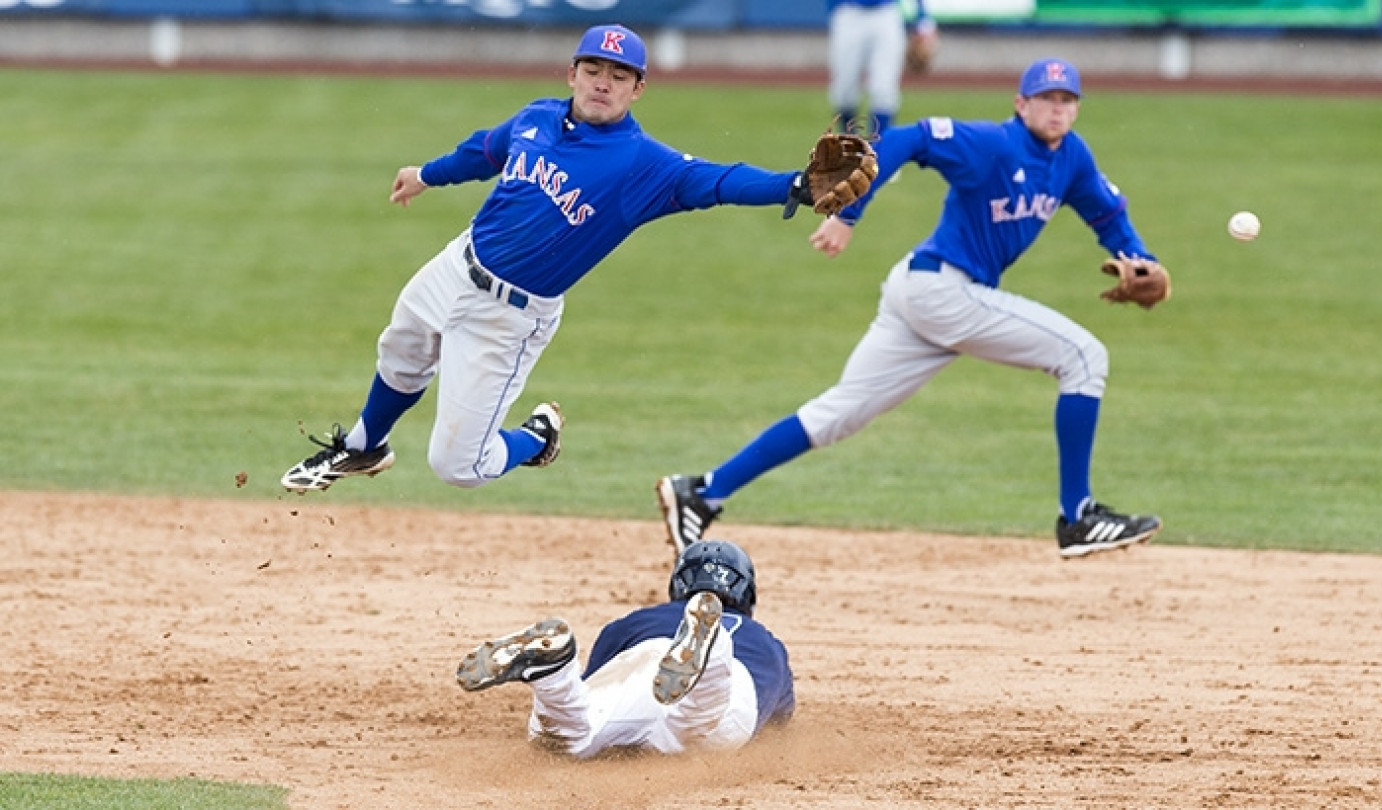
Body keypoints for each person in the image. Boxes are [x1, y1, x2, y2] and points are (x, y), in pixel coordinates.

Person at [659, 59, 1166, 559]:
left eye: (1066, 100)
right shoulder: (992, 145)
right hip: (939, 291)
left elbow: (1107, 212)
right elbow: (909, 139)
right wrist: (848, 212)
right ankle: (1078, 517)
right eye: (1046, 99)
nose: (1057, 109)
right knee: (1084, 357)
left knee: (836, 416)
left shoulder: (1071, 157)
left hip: (930, 297)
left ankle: (701, 493)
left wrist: (1142, 259)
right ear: (1021, 104)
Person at [281, 24, 814, 493]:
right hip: (456, 264)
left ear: (639, 89)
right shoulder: (535, 117)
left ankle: (536, 438)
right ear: (572, 74)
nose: (603, 82)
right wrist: (427, 174)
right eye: (593, 68)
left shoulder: (645, 166)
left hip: (508, 318)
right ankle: (363, 445)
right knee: (401, 348)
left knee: (457, 467)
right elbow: (483, 151)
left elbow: (721, 180)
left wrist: (794, 185)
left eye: (620, 75)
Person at [455, 540, 795, 758]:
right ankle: (713, 648)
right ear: (746, 591)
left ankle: (554, 673)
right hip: (727, 683)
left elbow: (594, 681)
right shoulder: (766, 643)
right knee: (700, 726)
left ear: (678, 585)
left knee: (570, 738)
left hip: (637, 664)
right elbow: (777, 725)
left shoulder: (636, 621)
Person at [827, 0, 938, 137]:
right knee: (844, 91)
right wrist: (833, 10)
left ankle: (878, 149)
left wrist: (923, 19)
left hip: (885, 14)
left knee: (884, 90)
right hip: (850, 12)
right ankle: (849, 145)